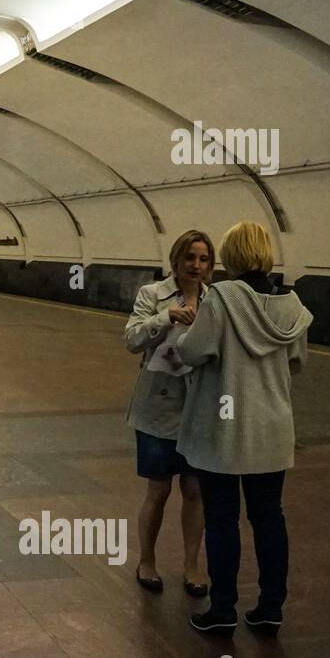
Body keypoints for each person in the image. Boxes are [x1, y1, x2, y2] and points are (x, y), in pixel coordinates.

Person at [174, 221, 312, 637]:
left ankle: (223, 610)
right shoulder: (292, 304)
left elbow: (193, 350)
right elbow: (297, 361)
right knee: (269, 517)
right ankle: (270, 607)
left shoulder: (221, 298)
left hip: (224, 429)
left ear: (231, 256)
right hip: (271, 428)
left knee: (222, 518)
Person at [124, 230, 214, 597]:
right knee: (158, 490)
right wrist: (165, 318)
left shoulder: (215, 300)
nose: (196, 265)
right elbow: (130, 340)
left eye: (204, 259)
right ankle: (147, 560)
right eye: (190, 257)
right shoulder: (152, 295)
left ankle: (192, 565)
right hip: (157, 408)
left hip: (198, 407)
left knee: (195, 490)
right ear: (176, 260)